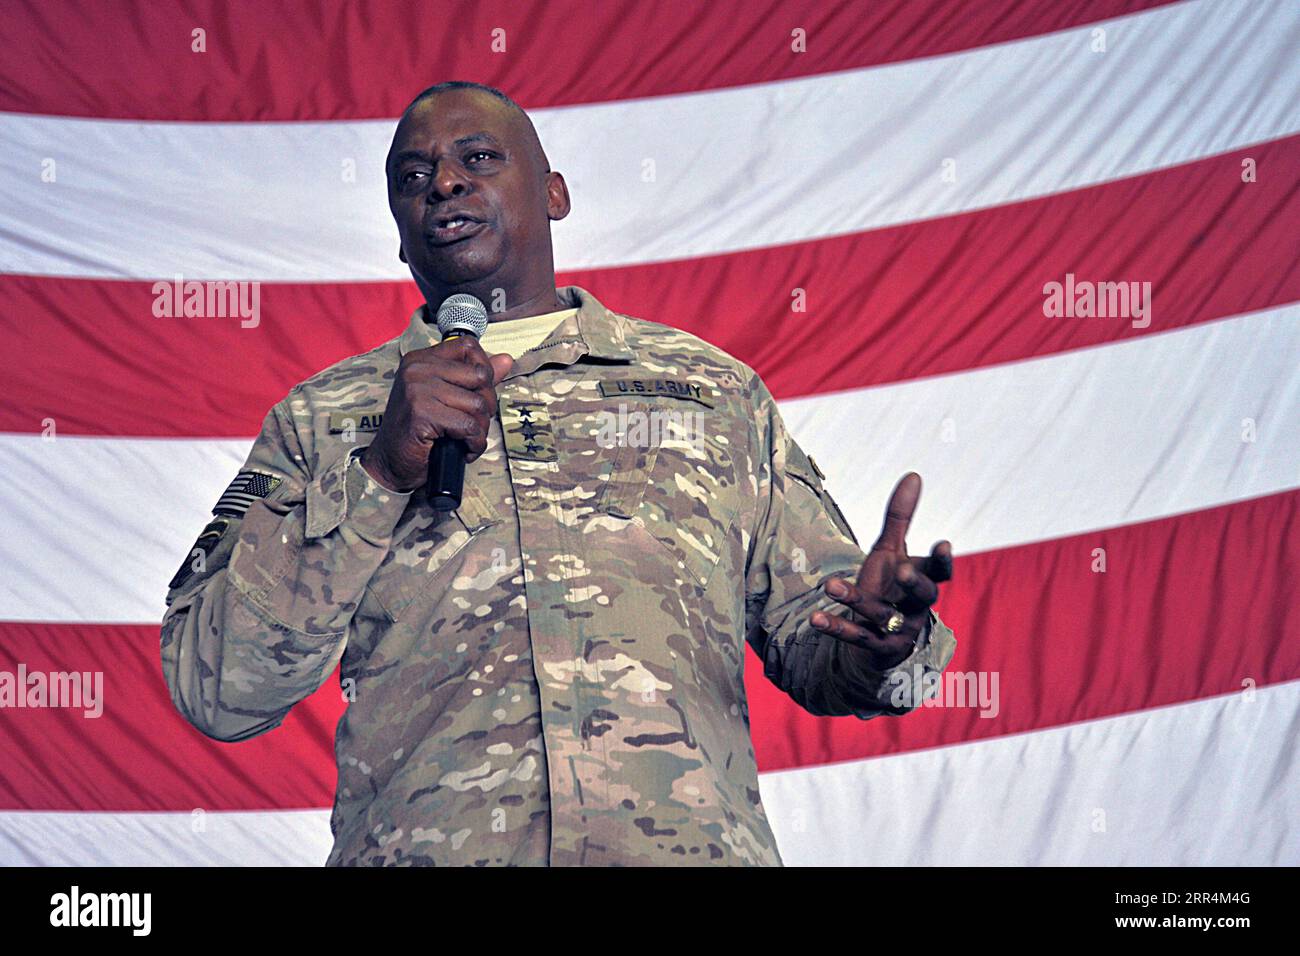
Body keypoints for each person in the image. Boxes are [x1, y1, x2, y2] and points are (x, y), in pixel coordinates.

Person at [160, 81, 958, 866]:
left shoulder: (713, 394)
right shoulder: (322, 419)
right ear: (401, 233)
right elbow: (218, 688)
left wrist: (880, 636)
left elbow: (826, 650)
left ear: (554, 194)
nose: (443, 182)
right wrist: (378, 474)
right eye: (414, 176)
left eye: (478, 156)